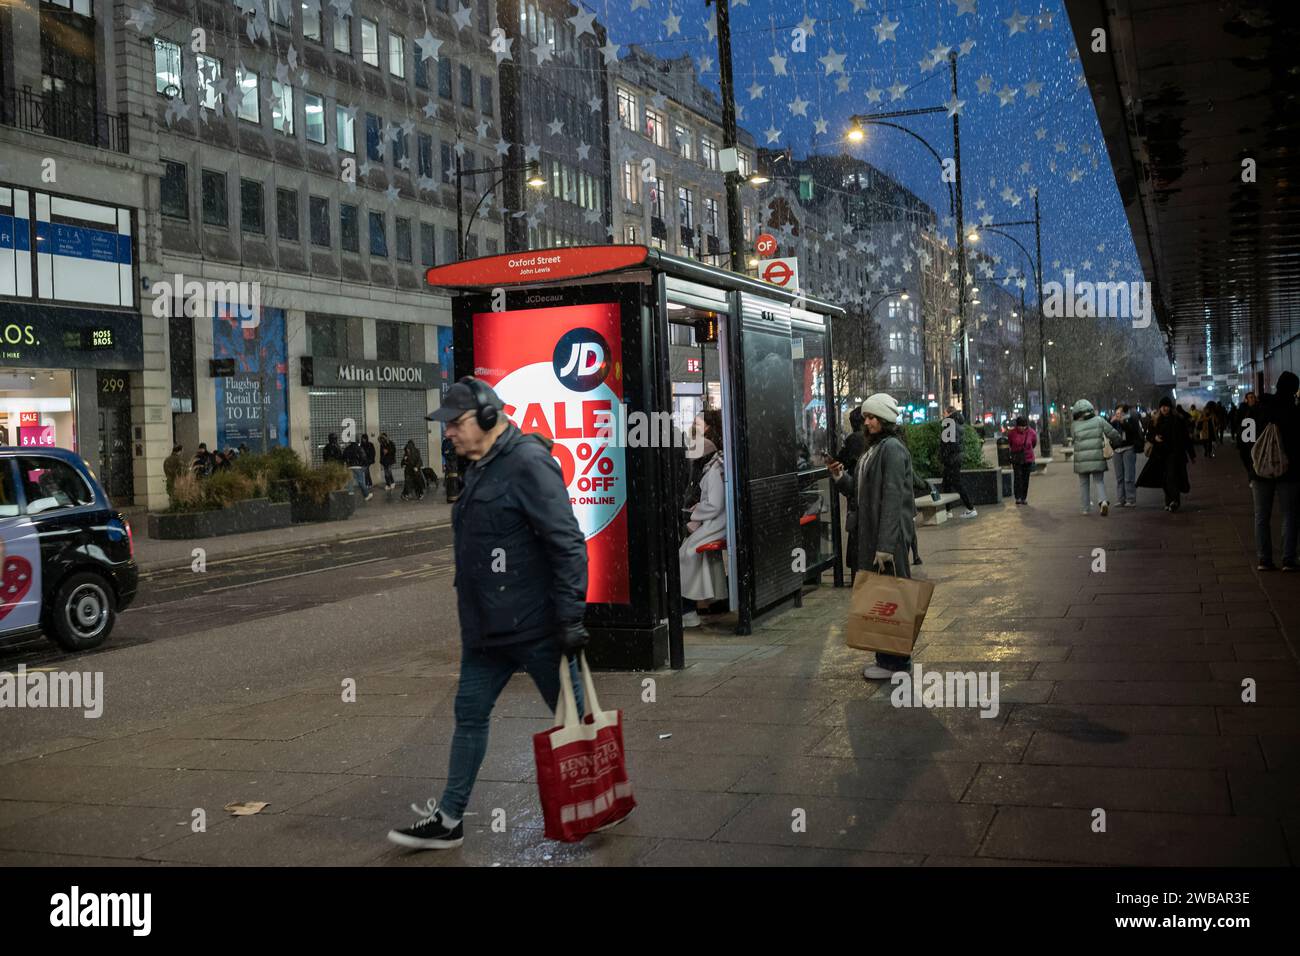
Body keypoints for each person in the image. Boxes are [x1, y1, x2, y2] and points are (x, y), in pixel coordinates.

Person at [387, 377, 590, 851]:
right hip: (486, 630)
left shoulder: (528, 463)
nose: (448, 433)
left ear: (486, 417)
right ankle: (449, 819)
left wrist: (571, 617)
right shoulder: (480, 467)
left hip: (537, 627)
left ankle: (598, 796)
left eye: (455, 424)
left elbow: (567, 543)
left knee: (576, 718)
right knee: (469, 715)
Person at [828, 393, 919, 681]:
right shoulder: (876, 448)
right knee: (881, 599)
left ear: (885, 419)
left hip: (886, 538)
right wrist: (840, 477)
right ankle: (886, 659)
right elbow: (860, 492)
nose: (866, 422)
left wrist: (885, 546)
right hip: (874, 534)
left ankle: (896, 662)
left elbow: (893, 498)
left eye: (872, 417)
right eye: (866, 417)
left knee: (890, 600)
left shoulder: (891, 449)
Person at [678, 410, 726, 627]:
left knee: (686, 553)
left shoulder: (712, 470)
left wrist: (694, 513)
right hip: (716, 521)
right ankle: (704, 601)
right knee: (691, 552)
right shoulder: (715, 465)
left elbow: (714, 504)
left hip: (716, 523)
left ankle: (687, 607)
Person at [1252, 371, 1299, 571]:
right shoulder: (1295, 412)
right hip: (1289, 472)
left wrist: (1251, 467)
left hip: (1260, 472)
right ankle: (1288, 559)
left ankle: (1264, 559)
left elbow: (1245, 440)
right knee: (1290, 515)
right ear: (1294, 390)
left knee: (1261, 516)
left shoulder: (1258, 409)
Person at [1070, 399, 1123, 515]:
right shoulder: (1099, 420)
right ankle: (1103, 501)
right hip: (1097, 456)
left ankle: (1085, 508)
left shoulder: (1074, 425)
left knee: (1083, 483)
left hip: (1081, 459)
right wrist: (1117, 441)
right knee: (1099, 481)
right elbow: (1112, 433)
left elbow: (1073, 439)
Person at [1137, 397, 1191, 511]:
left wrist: (1192, 454)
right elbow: (1149, 435)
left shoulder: (1177, 420)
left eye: (1166, 406)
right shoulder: (1155, 420)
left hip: (1174, 453)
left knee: (1172, 477)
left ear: (1170, 407)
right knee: (1164, 478)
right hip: (1160, 455)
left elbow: (1185, 437)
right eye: (1162, 406)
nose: (1164, 408)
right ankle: (1169, 501)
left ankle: (1175, 501)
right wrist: (1155, 438)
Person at [836, 407, 868, 579]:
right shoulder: (871, 438)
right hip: (865, 490)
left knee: (855, 530)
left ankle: (857, 570)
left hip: (856, 489)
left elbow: (842, 460)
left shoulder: (854, 439)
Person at [939, 406, 977, 518]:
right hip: (954, 459)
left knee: (957, 484)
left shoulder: (950, 424)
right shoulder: (956, 423)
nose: (943, 415)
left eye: (944, 413)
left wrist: (945, 456)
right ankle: (948, 511)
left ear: (949, 413)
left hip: (951, 460)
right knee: (946, 484)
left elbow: (949, 444)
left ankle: (970, 508)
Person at [1109, 404, 1143, 507]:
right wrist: (1111, 423)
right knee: (1119, 477)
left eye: (1120, 412)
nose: (1118, 414)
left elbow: (1132, 431)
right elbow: (1109, 433)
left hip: (1128, 448)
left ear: (1125, 412)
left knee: (1129, 476)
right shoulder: (1113, 420)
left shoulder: (1130, 419)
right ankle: (1121, 499)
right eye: (1117, 412)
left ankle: (1131, 499)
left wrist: (1122, 422)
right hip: (1117, 450)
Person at [1007, 416, 1037, 505]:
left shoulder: (1032, 433)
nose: (1022, 428)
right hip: (1016, 458)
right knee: (1017, 478)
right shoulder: (1012, 433)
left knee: (1025, 479)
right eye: (1020, 426)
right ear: (1017, 425)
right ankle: (1018, 497)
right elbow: (1010, 444)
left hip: (1028, 459)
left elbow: (1034, 443)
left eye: (1024, 426)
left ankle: (1024, 497)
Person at [1236, 391, 1260, 481]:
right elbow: (1237, 422)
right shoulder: (1243, 410)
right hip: (1245, 439)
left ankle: (1253, 477)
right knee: (1246, 458)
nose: (1252, 399)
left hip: (1255, 439)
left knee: (1253, 459)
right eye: (1250, 397)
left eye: (1253, 397)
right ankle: (1251, 475)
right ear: (1246, 399)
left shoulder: (1259, 409)